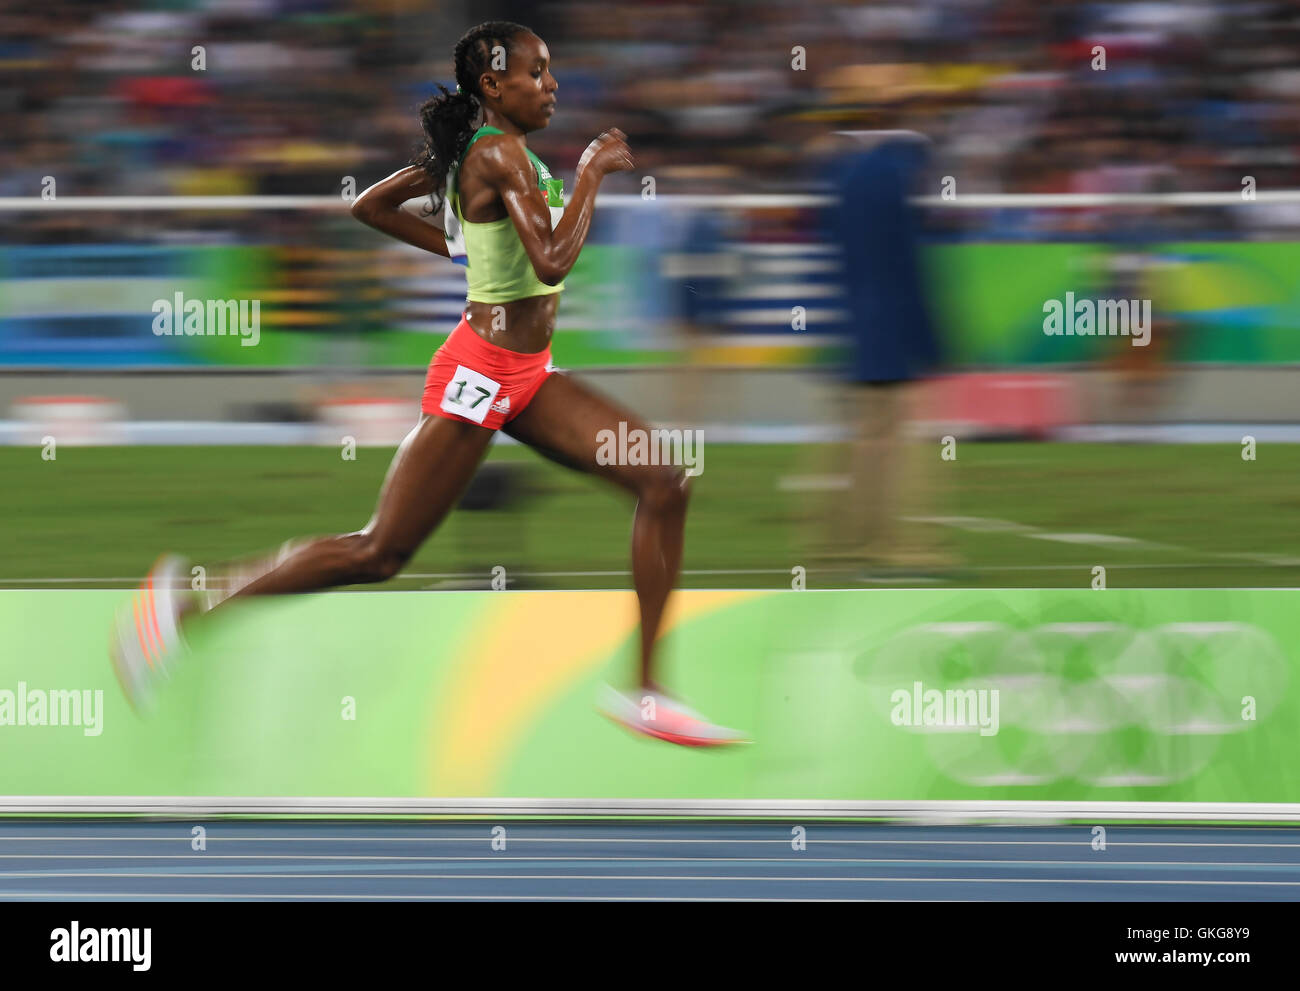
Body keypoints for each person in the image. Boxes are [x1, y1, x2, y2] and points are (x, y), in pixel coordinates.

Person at [109, 21, 744, 748]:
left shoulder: (492, 152)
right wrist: (595, 171)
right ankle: (183, 610)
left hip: (528, 374)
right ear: (493, 86)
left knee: (664, 479)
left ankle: (647, 693)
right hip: (478, 374)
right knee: (378, 551)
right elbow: (553, 260)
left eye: (552, 71)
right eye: (538, 73)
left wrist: (457, 243)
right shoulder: (500, 153)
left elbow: (369, 207)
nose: (554, 85)